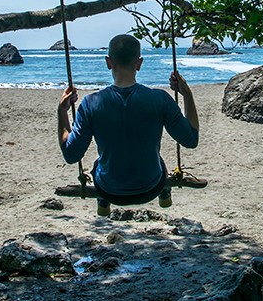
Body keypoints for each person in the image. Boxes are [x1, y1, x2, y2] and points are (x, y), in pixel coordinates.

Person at [57, 34, 199, 216]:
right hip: (151, 187)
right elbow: (191, 140)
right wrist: (187, 95)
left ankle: (103, 201)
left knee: (98, 164)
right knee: (158, 161)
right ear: (139, 64)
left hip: (108, 189)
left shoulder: (91, 103)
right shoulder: (160, 99)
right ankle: (164, 192)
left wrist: (62, 111)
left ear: (108, 62)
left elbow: (70, 155)